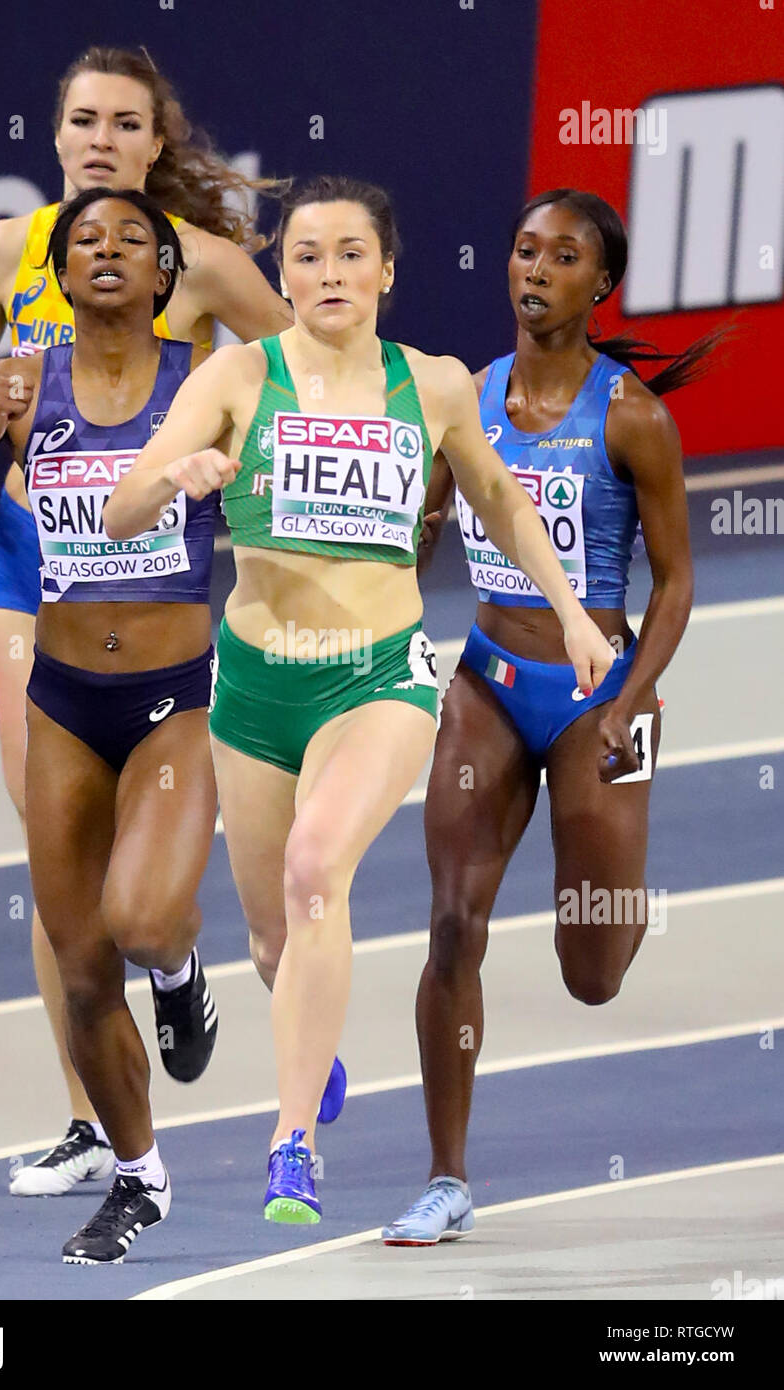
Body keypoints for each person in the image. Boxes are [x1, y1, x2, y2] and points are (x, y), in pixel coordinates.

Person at [102, 174, 616, 1223]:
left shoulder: (428, 386)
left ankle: (290, 1145)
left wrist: (570, 614)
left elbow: (501, 504)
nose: (326, 273)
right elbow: (117, 512)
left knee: (313, 867)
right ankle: (309, 1039)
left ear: (386, 269)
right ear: (280, 273)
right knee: (270, 942)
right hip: (253, 689)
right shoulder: (238, 376)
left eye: (348, 254)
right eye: (303, 255)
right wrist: (179, 473)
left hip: (376, 676)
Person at [0, 45, 292, 1195]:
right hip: (29, 563)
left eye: (123, 123)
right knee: (47, 836)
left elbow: (302, 369)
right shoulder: (9, 250)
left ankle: (170, 958)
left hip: (150, 581)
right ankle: (91, 1118)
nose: (100, 139)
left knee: (129, 888)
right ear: (53, 136)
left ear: (158, 143)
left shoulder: (201, 265)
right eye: (81, 121)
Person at [0, 188, 232, 1264]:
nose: (109, 249)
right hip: (65, 708)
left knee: (138, 921)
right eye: (87, 238)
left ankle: (177, 974)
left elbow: (294, 511)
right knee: (81, 968)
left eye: (134, 236)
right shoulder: (21, 386)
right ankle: (138, 1177)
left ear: (168, 276)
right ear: (60, 275)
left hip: (173, 699)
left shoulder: (210, 386)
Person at [382, 188, 720, 1246]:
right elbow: (420, 532)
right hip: (485, 684)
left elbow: (672, 586)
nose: (532, 269)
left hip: (599, 704)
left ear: (597, 284)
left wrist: (626, 703)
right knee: (449, 925)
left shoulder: (632, 418)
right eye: (522, 249)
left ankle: (614, 868)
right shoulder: (464, 400)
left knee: (592, 974)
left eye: (560, 257)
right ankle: (444, 1175)